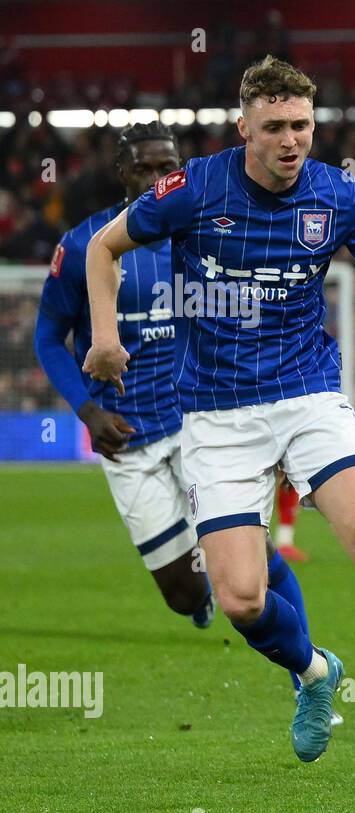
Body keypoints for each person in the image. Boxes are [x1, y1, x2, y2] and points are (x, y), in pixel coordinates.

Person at [82, 57, 355, 765]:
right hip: (216, 414)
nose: (290, 139)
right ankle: (314, 672)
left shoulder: (337, 197)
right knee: (243, 601)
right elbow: (104, 246)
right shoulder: (194, 189)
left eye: (301, 124)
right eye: (273, 126)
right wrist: (102, 337)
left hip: (308, 392)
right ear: (243, 127)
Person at [35, 122, 213, 629]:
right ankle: (203, 596)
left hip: (198, 424)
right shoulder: (83, 246)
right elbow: (48, 338)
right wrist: (87, 411)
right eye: (144, 169)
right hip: (126, 437)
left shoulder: (202, 238)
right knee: (183, 594)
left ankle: (307, 675)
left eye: (167, 168)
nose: (157, 178)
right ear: (122, 173)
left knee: (248, 556)